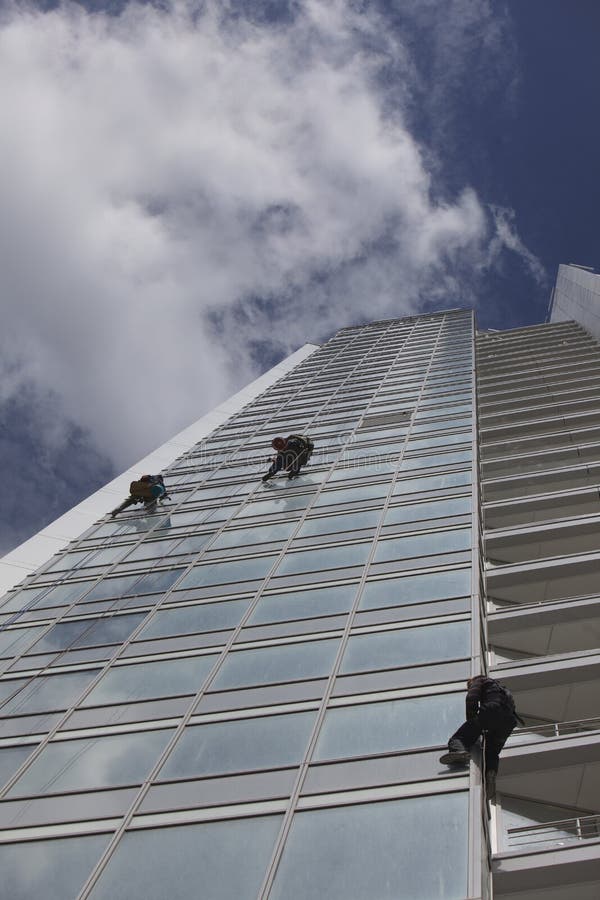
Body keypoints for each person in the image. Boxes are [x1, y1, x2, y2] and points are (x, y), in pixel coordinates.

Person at [439, 675, 521, 798]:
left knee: (459, 738)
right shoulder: (501, 689)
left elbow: (471, 698)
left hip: (492, 710)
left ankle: (458, 750)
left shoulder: (479, 680)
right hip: (508, 722)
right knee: (492, 752)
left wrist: (472, 721)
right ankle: (491, 773)